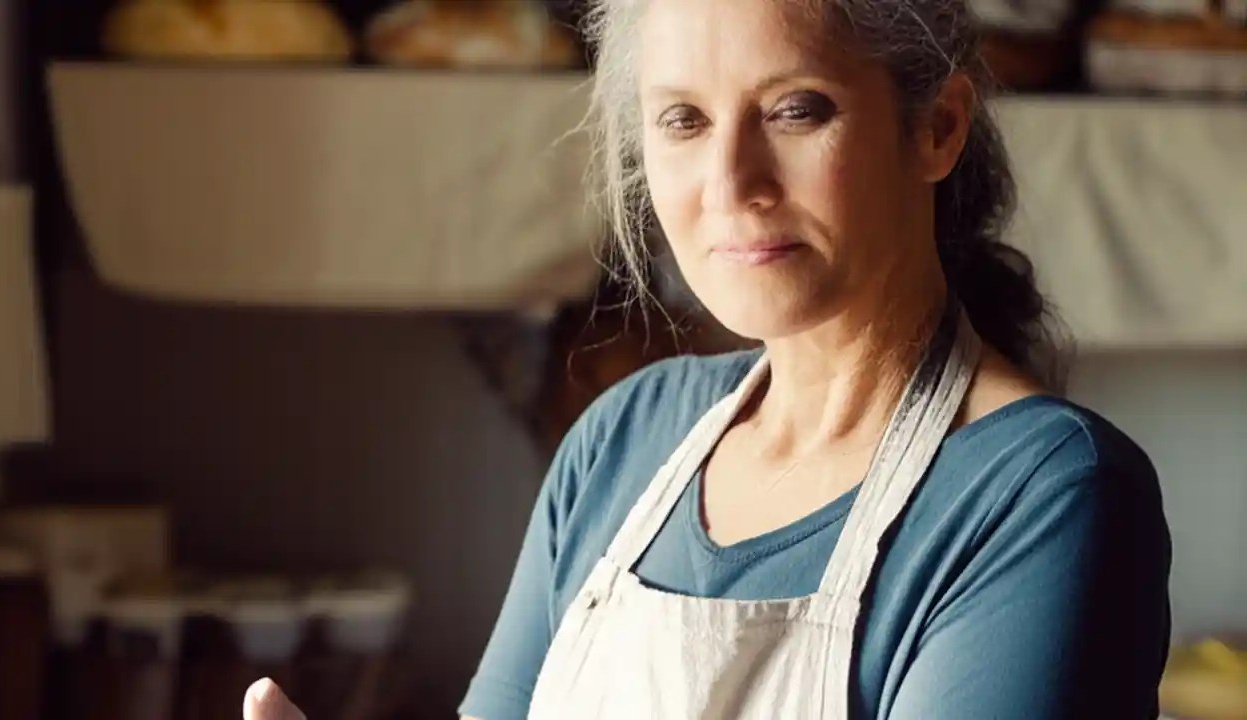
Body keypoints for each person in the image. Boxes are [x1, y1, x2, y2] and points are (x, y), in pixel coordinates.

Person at [244, 0, 1172, 718]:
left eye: (796, 110)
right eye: (683, 120)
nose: (732, 184)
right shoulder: (623, 437)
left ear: (936, 128)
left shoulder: (1043, 494)